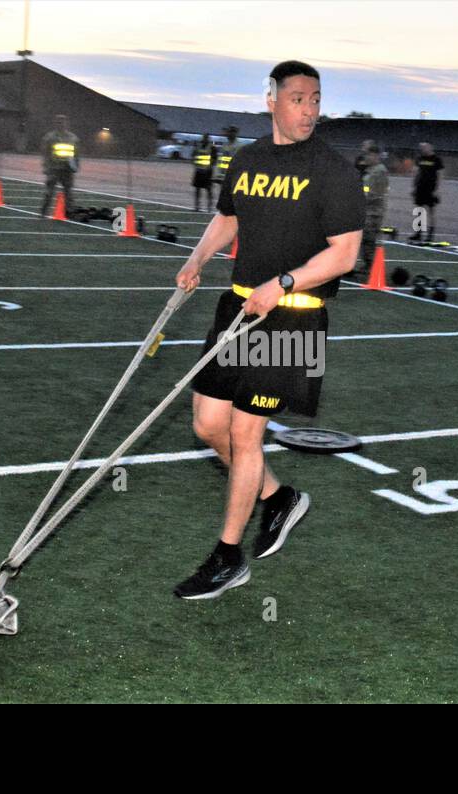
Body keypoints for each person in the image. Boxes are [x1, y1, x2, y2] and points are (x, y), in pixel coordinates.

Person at [172, 60, 364, 599]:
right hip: (237, 307)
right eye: (299, 98)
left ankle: (228, 556)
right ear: (272, 100)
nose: (309, 110)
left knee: (244, 433)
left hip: (294, 317)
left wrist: (282, 282)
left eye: (316, 100)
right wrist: (198, 257)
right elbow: (229, 216)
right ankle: (277, 498)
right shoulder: (249, 159)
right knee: (208, 424)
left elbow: (345, 254)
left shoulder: (333, 171)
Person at [356, 139, 389, 276]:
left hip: (374, 211)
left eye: (368, 155)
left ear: (375, 156)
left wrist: (363, 197)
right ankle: (368, 264)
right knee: (364, 238)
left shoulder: (380, 171)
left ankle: (372, 266)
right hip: (366, 209)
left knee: (369, 238)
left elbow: (377, 193)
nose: (366, 158)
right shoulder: (371, 170)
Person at [38, 114, 79, 218]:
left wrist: (76, 166)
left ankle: (69, 213)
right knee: (49, 192)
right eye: (59, 122)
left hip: (67, 169)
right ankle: (43, 212)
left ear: (67, 123)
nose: (61, 124)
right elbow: (45, 153)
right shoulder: (50, 137)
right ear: (55, 123)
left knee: (68, 193)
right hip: (54, 169)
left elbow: (76, 154)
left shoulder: (73, 138)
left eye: (63, 122)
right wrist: (46, 167)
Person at [408, 141, 442, 243]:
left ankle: (430, 236)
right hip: (420, 188)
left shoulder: (436, 159)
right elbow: (415, 172)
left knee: (431, 212)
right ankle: (418, 233)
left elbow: (440, 175)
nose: (422, 149)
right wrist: (413, 187)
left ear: (430, 147)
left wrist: (437, 189)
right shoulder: (420, 158)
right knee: (419, 211)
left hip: (431, 189)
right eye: (421, 147)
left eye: (425, 147)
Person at [192, 134, 216, 212]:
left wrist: (209, 168)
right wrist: (195, 165)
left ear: (208, 139)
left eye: (206, 138)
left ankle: (209, 207)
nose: (204, 139)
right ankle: (197, 206)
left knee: (208, 189)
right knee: (197, 189)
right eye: (203, 138)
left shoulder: (212, 148)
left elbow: (214, 159)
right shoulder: (198, 146)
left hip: (207, 172)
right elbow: (194, 156)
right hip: (198, 171)